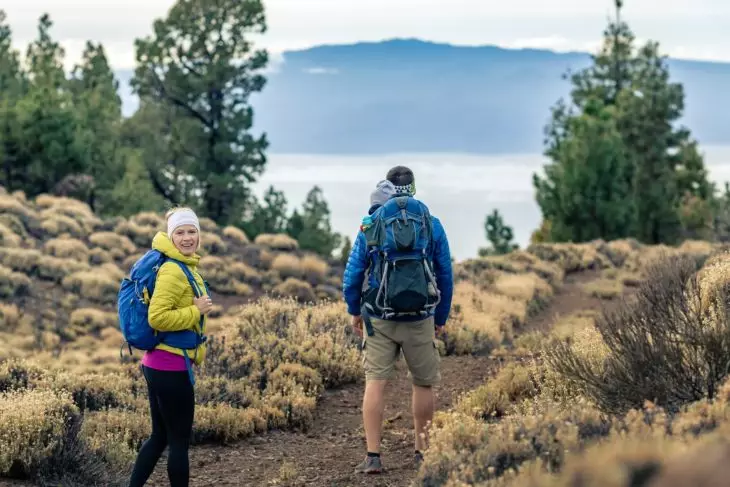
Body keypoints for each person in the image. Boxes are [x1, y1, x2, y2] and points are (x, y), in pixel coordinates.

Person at [342, 166, 454, 474]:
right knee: (423, 384)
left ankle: (373, 457)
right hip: (420, 317)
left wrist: (355, 309)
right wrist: (440, 317)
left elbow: (353, 272)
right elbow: (445, 273)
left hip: (379, 316)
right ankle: (422, 452)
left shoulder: (371, 224)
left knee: (375, 382)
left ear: (389, 188)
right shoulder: (432, 224)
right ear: (414, 188)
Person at [129, 207, 213, 487]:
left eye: (192, 231)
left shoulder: (183, 265)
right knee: (178, 443)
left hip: (159, 364)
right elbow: (158, 317)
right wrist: (195, 310)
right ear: (170, 236)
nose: (187, 238)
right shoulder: (173, 271)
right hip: (170, 366)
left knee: (160, 437)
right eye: (180, 232)